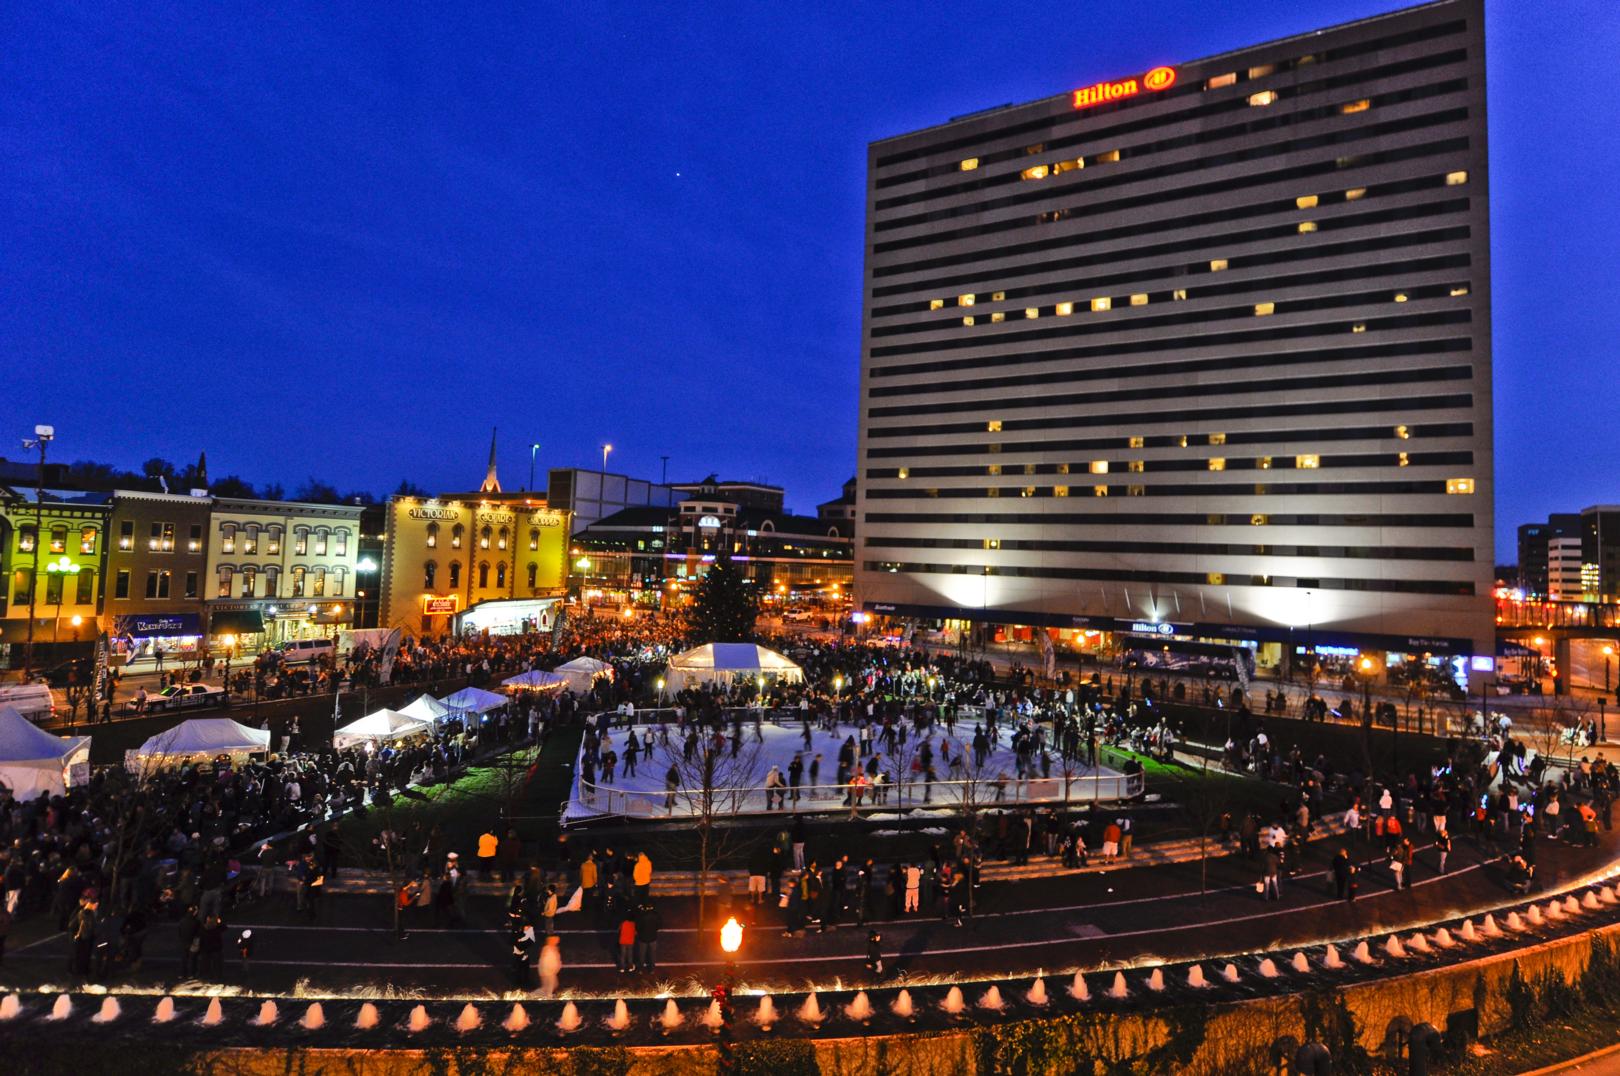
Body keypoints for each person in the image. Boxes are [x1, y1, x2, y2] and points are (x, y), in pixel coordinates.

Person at [635, 901, 660, 971]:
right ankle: (652, 969)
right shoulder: (656, 915)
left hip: (643, 938)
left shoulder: (642, 916)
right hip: (653, 938)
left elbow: (638, 927)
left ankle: (640, 969)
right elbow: (659, 926)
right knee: (652, 955)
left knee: (641, 955)